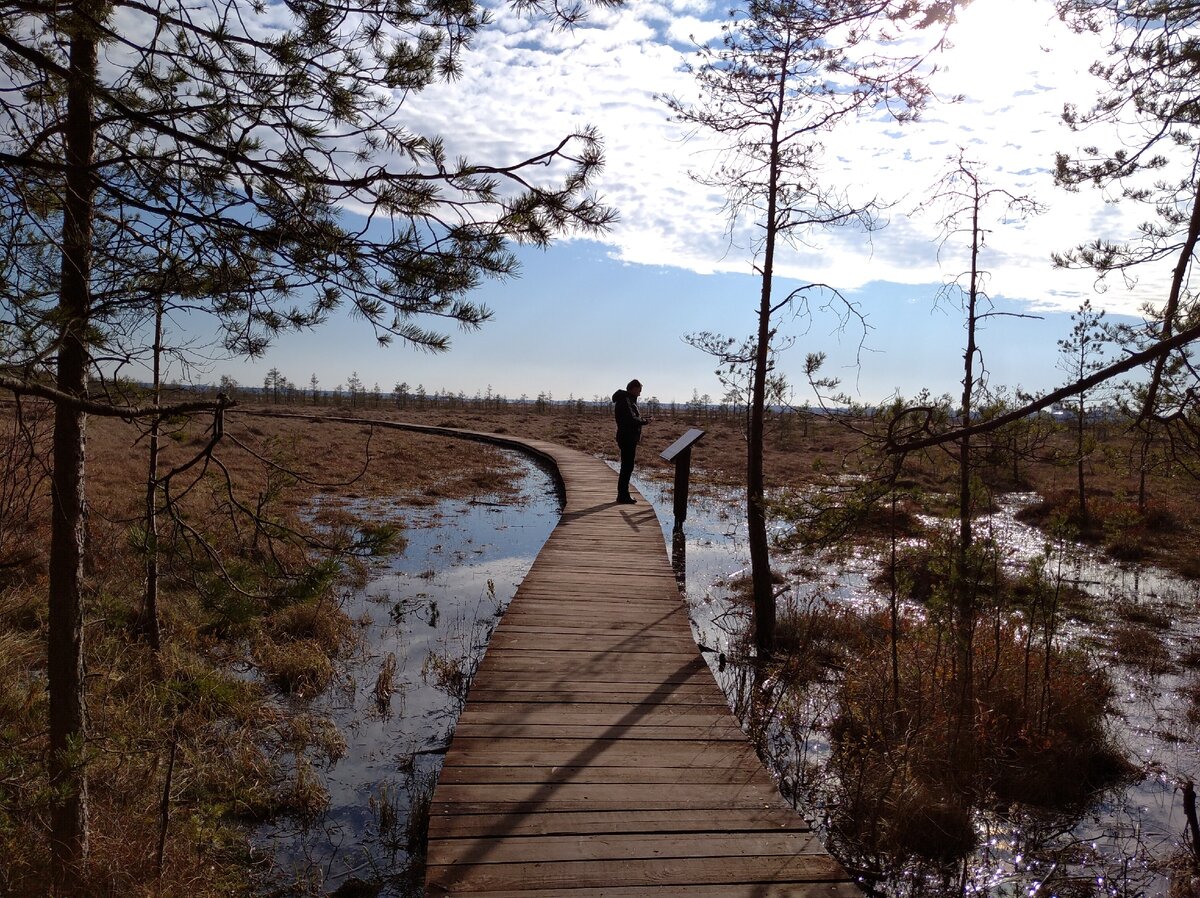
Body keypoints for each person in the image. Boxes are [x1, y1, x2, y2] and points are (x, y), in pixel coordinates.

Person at [612, 379, 650, 504]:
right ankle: (623, 495)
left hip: (627, 437)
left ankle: (623, 494)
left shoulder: (626, 399)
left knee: (627, 466)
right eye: (639, 390)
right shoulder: (626, 400)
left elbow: (632, 418)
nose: (639, 394)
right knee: (627, 467)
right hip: (627, 438)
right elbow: (631, 419)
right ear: (633, 388)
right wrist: (645, 421)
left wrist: (642, 419)